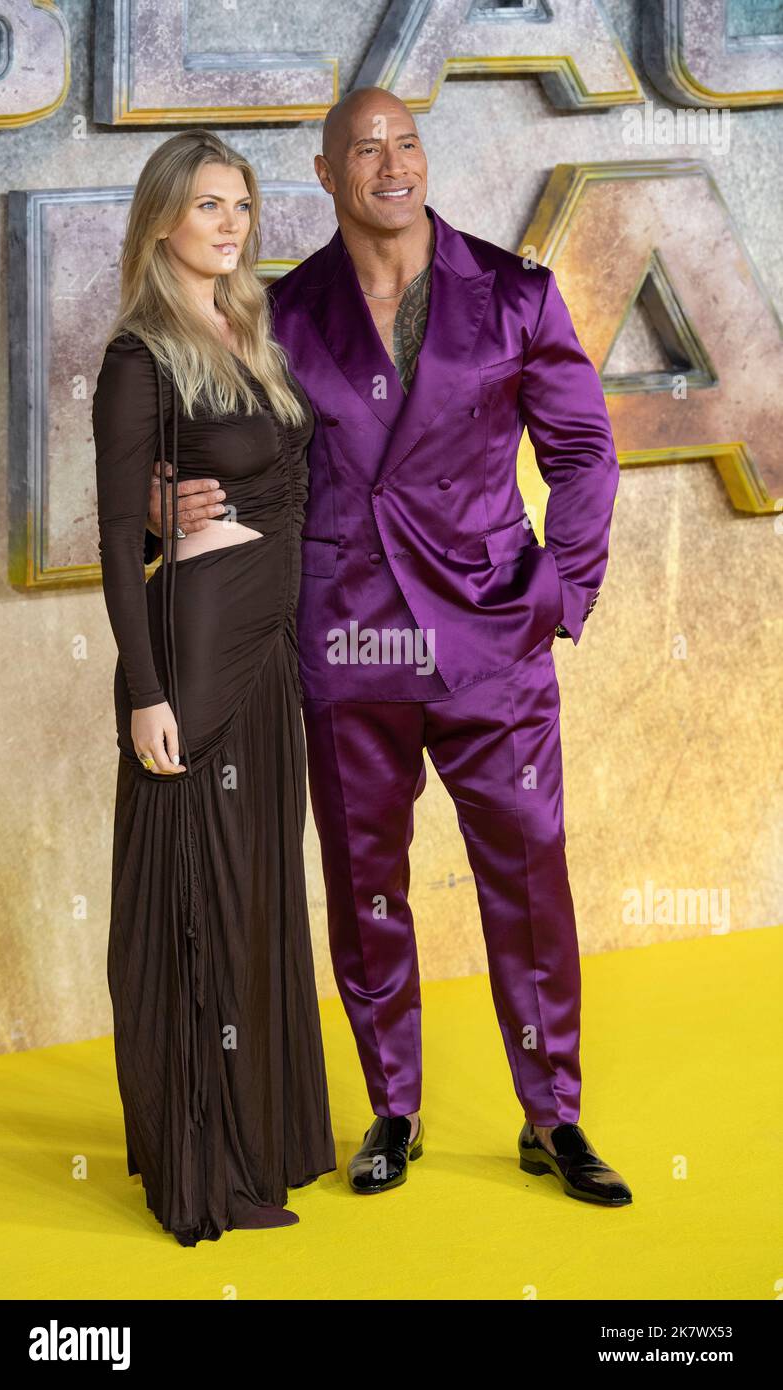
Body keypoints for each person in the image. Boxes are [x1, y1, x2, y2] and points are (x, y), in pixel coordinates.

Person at [146, 88, 632, 1208]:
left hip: (493, 641)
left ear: (425, 157)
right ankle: (395, 1107)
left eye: (404, 141)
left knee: (529, 875)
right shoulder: (274, 313)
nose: (390, 162)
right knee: (366, 883)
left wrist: (562, 591)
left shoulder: (514, 294)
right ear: (325, 175)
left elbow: (582, 455)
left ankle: (552, 1114)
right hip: (345, 642)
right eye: (363, 148)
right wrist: (165, 502)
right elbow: (230, 446)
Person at [92, 130, 336, 1247]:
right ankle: (203, 1168)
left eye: (239, 204)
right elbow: (111, 535)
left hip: (271, 645)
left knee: (256, 897)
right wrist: (146, 693)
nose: (230, 223)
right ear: (160, 225)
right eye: (205, 206)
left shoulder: (253, 332)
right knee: (203, 902)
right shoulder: (141, 356)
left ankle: (262, 1135)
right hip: (192, 663)